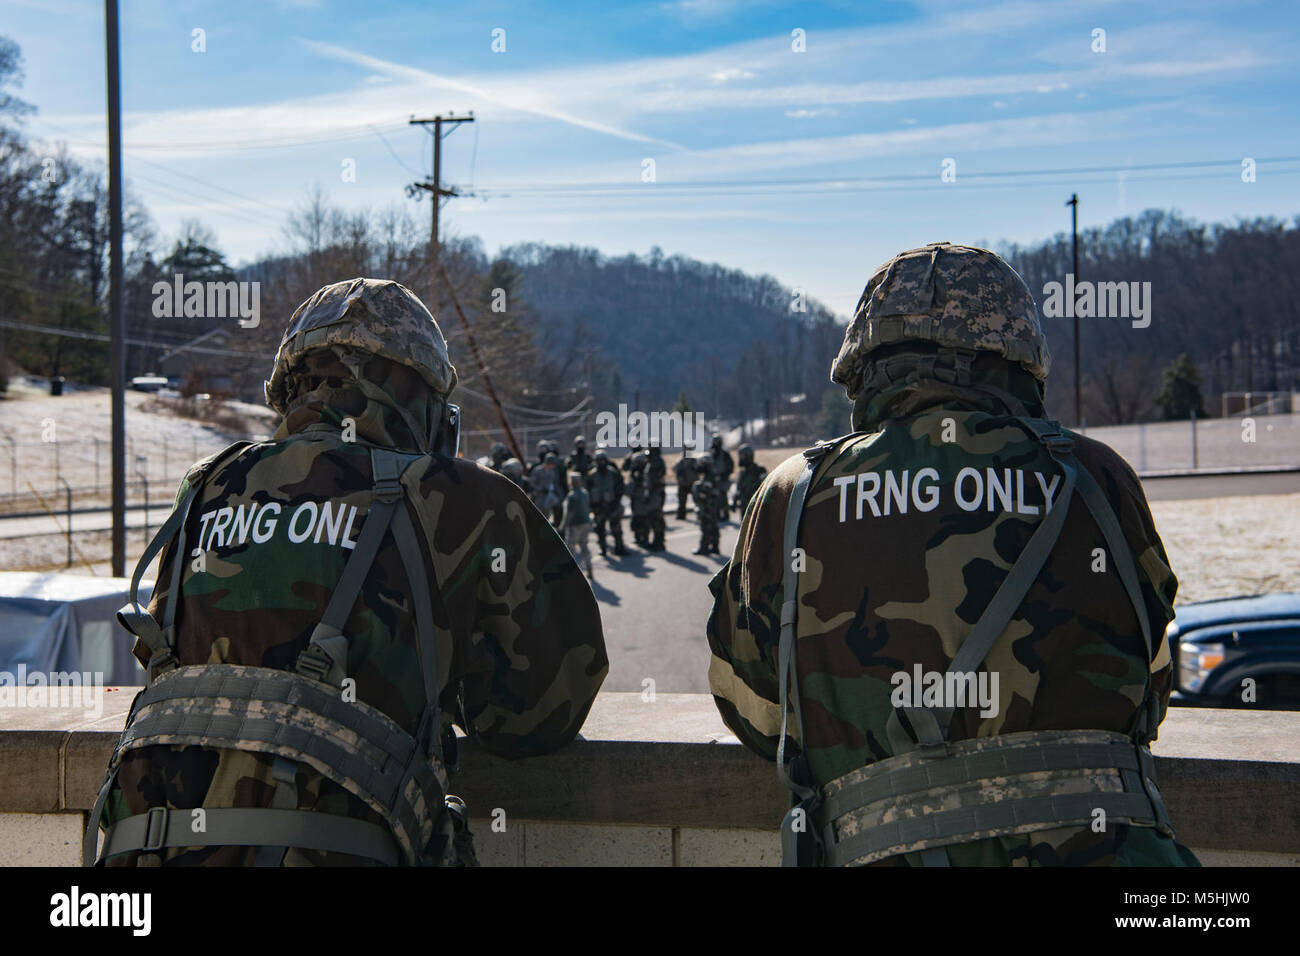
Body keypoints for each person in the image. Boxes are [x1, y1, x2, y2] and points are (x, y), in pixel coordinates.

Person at [706, 242, 1198, 868]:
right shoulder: (1097, 478)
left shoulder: (796, 495)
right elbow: (1151, 687)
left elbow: (758, 713)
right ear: (1020, 358)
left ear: (865, 364)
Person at [87, 277, 608, 867]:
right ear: (422, 397)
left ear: (289, 388)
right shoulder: (463, 499)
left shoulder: (208, 484)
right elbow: (540, 715)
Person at [589, 449, 628, 557]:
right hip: (599, 507)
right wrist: (593, 506)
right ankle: (603, 548)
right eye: (599, 460)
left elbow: (620, 487)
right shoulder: (592, 475)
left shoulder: (613, 472)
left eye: (603, 460)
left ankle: (619, 548)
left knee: (616, 528)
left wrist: (616, 501)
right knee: (600, 529)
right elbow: (588, 490)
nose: (601, 462)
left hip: (612, 504)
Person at [561, 473, 595, 581]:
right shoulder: (585, 492)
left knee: (570, 549)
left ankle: (569, 574)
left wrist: (563, 526)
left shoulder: (571, 496)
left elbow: (569, 513)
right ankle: (589, 568)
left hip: (575, 525)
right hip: (586, 522)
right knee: (584, 545)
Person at [691, 460, 720, 556]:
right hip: (712, 505)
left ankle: (704, 547)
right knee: (713, 525)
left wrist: (699, 490)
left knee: (705, 526)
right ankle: (715, 546)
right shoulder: (712, 475)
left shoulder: (710, 477)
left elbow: (708, 492)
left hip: (708, 505)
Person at [733, 444, 768, 515]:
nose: (740, 459)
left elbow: (766, 489)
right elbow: (738, 489)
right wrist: (734, 501)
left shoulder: (759, 470)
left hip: (756, 507)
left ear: (748, 456)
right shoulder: (742, 472)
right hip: (744, 508)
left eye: (742, 456)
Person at [645, 446, 667, 552]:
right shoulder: (653, 461)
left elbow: (656, 478)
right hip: (654, 493)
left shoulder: (657, 461)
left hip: (656, 493)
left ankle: (659, 542)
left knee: (656, 517)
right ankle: (657, 541)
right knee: (654, 518)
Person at [627, 452, 651, 548]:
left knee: (644, 520)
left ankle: (645, 539)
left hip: (643, 499)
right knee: (636, 519)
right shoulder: (633, 471)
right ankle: (638, 537)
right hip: (635, 499)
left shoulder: (646, 472)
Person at [708, 433, 734, 521]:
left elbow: (730, 466)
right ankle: (716, 514)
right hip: (713, 480)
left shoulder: (725, 454)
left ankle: (725, 515)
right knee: (713, 498)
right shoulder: (711, 454)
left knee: (723, 497)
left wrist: (724, 475)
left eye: (717, 442)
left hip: (723, 479)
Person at [674, 451, 697, 520]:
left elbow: (699, 469)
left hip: (692, 483)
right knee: (682, 501)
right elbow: (675, 469)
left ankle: (701, 514)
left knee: (697, 501)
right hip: (683, 484)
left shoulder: (694, 461)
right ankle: (681, 515)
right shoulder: (680, 462)